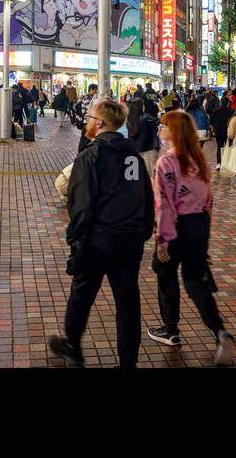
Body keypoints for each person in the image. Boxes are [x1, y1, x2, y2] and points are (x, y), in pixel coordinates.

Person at [49, 98, 154, 368]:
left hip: (99, 239)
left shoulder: (91, 155)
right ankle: (128, 360)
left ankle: (72, 343)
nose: (86, 121)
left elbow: (80, 204)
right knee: (127, 301)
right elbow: (146, 194)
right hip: (130, 240)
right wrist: (143, 231)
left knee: (82, 294)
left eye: (90, 117)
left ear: (100, 123)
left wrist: (75, 240)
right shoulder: (133, 156)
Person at [146, 110, 236, 364]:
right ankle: (220, 332)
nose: (159, 130)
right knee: (195, 281)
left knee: (166, 275)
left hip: (175, 225)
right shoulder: (199, 160)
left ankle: (171, 329)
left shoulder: (166, 162)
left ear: (173, 131)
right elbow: (208, 201)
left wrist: (163, 238)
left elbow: (163, 203)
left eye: (163, 126)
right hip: (199, 224)